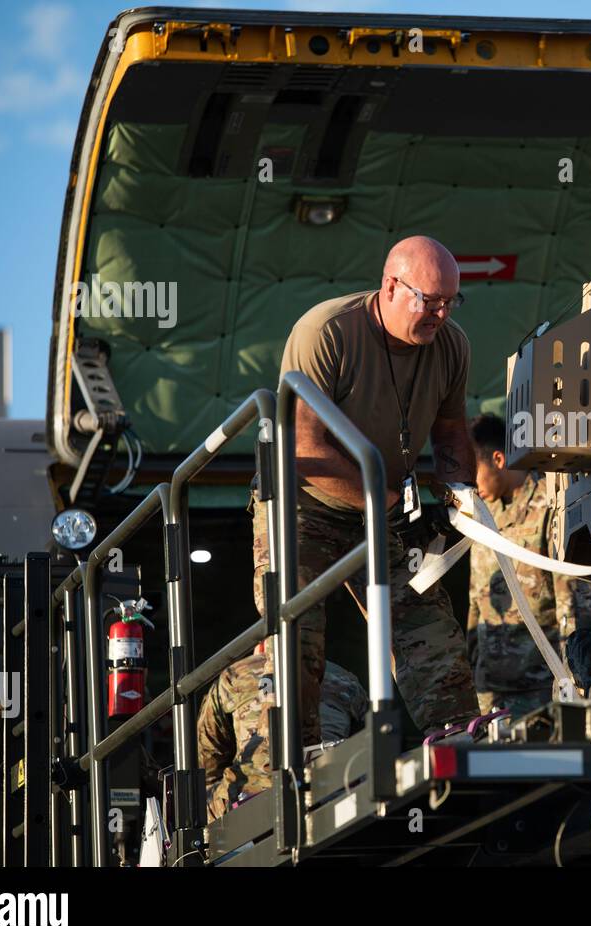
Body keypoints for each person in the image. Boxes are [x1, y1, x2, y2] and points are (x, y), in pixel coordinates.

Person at [251, 235, 480, 778]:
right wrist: (388, 500)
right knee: (296, 630)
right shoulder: (327, 332)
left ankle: (458, 741)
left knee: (425, 619)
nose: (442, 314)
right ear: (391, 286)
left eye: (452, 301)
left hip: (382, 508)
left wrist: (461, 498)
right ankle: (294, 768)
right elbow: (305, 449)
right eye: (431, 300)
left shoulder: (451, 345)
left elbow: (450, 433)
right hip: (303, 505)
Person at [466, 414, 591, 716]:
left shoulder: (549, 505)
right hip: (491, 695)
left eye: (473, 468)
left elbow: (575, 602)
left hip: (541, 690)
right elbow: (476, 603)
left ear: (498, 459)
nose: (469, 481)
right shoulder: (483, 514)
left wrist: (573, 683)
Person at [197, 648, 367, 821]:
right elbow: (364, 749)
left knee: (200, 798)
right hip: (329, 791)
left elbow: (207, 762)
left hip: (250, 798)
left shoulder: (234, 675)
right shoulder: (346, 679)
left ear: (261, 646)